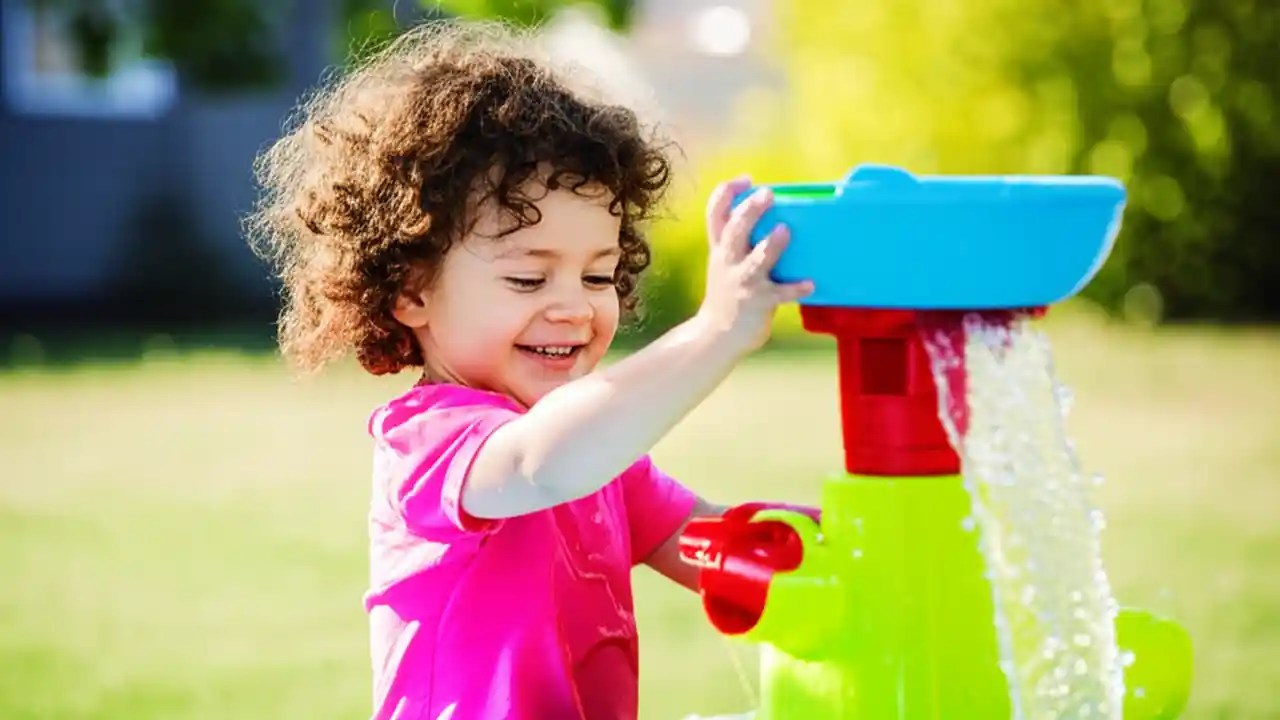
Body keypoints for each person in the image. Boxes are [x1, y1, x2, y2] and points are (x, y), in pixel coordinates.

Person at [247, 19, 812, 720]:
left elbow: (700, 542)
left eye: (599, 274)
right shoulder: (430, 441)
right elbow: (545, 462)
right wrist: (716, 332)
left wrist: (823, 555)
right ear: (411, 289)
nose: (574, 307)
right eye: (528, 280)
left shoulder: (599, 458)